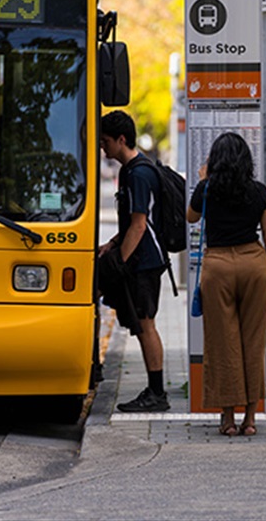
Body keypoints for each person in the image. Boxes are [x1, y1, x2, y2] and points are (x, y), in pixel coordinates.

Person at [186, 132, 266, 437]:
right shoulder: (260, 192)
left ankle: (227, 419)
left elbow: (189, 217)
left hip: (218, 268)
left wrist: (203, 179)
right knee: (253, 341)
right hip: (255, 265)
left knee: (222, 343)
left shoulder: (207, 189)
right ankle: (250, 419)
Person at [98, 111, 170, 413]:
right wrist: (112, 245)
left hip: (145, 261)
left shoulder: (140, 174)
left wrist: (121, 263)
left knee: (146, 324)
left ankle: (157, 392)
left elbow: (140, 225)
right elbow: (130, 223)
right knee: (141, 324)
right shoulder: (129, 171)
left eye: (105, 142)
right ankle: (154, 390)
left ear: (121, 140)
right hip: (137, 258)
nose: (103, 148)